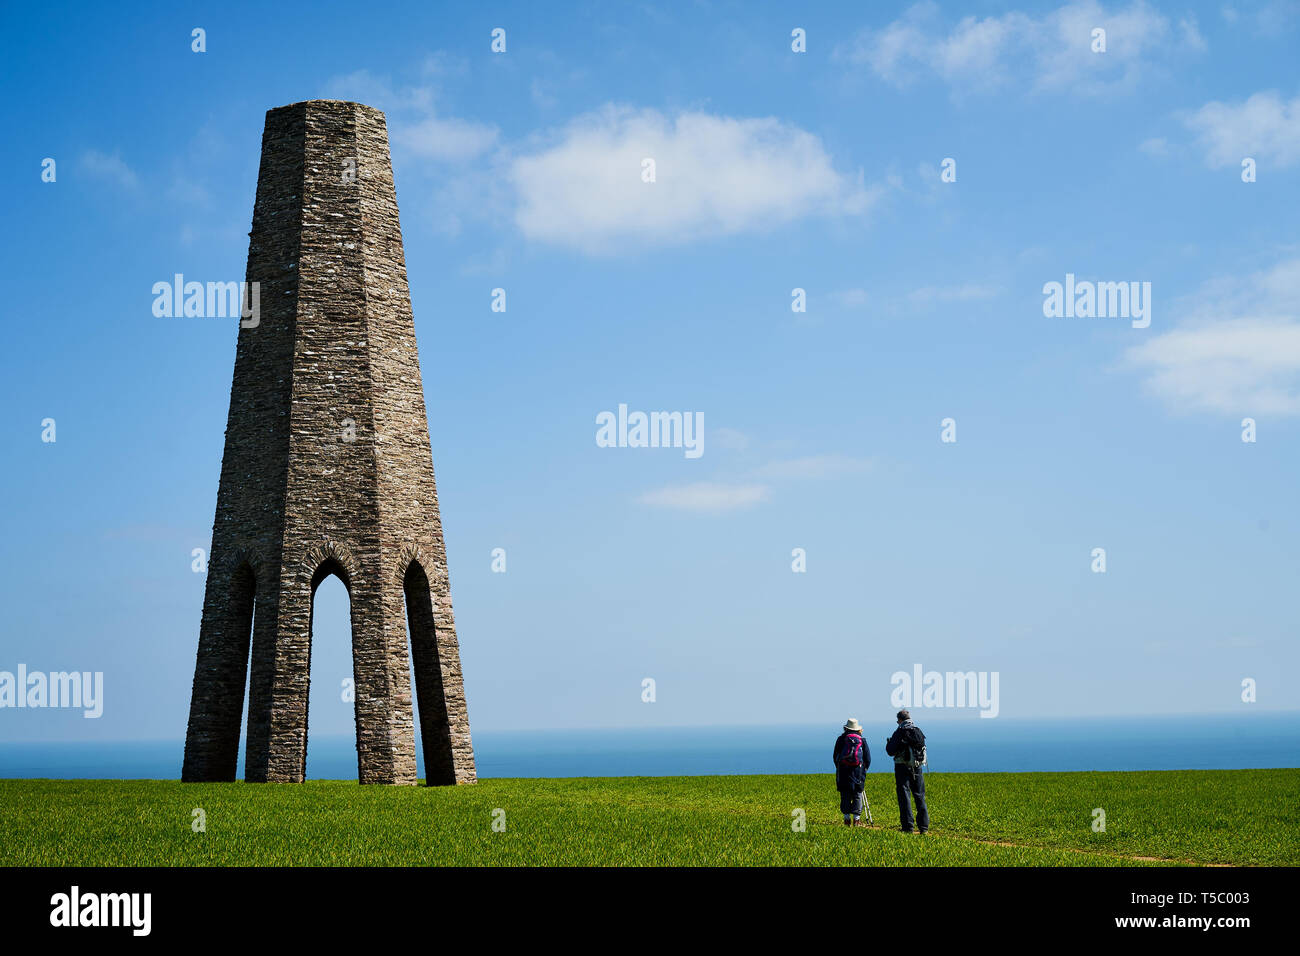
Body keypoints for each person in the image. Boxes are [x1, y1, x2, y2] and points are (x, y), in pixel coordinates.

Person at [885, 709, 929, 834]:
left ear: (900, 719)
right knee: (919, 795)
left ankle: (908, 827)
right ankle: (924, 827)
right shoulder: (918, 731)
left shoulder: (900, 731)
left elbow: (890, 751)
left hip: (902, 767)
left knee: (904, 795)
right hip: (917, 767)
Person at [832, 717, 871, 826]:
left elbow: (835, 755)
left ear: (846, 728)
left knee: (845, 793)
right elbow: (868, 758)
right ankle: (857, 820)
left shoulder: (841, 739)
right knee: (857, 793)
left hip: (843, 770)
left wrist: (839, 766)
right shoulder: (862, 740)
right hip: (858, 771)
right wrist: (864, 769)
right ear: (858, 729)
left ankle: (846, 819)